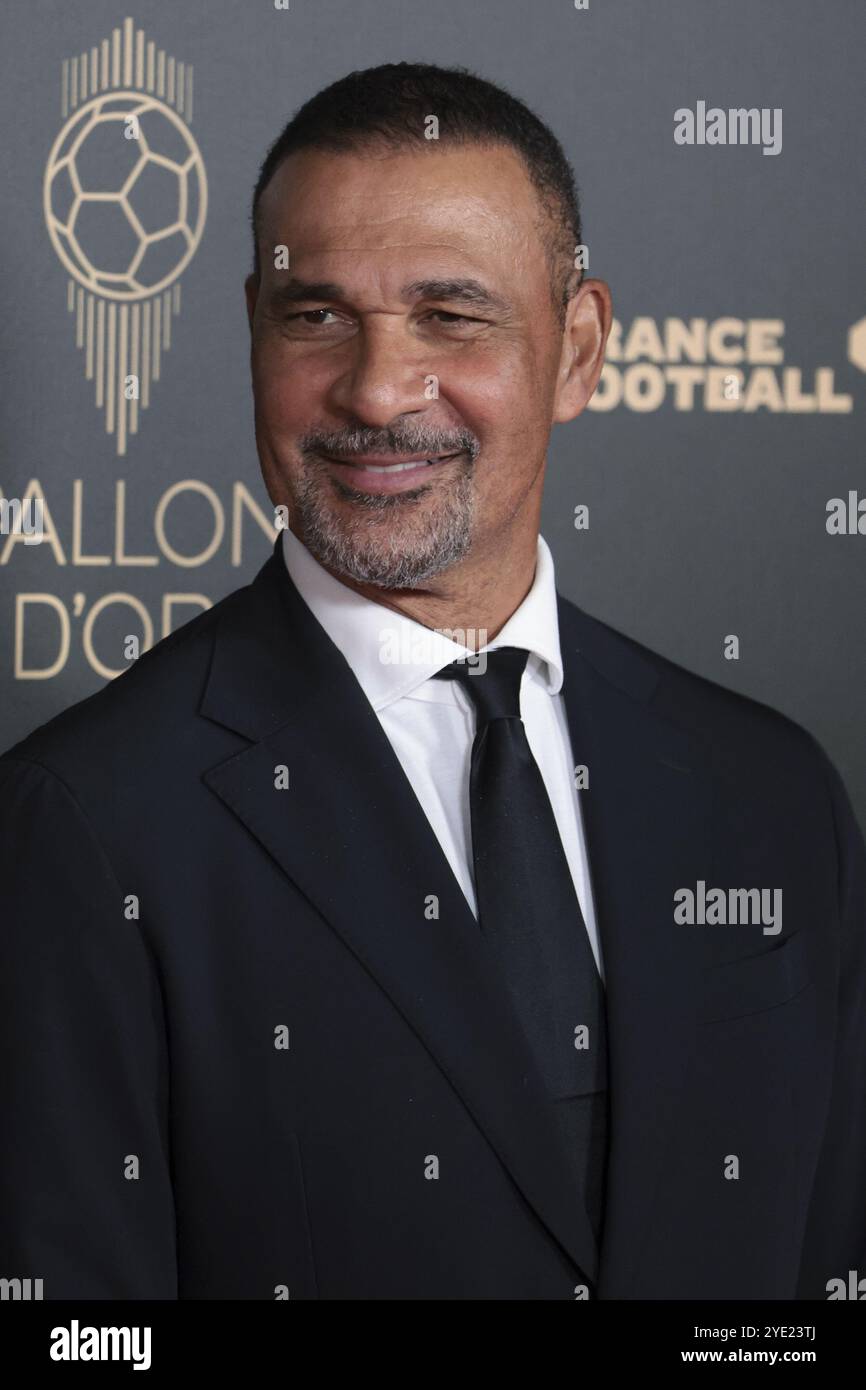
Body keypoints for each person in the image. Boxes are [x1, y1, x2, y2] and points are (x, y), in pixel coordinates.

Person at [1, 62, 864, 1301]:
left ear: (575, 350)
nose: (372, 389)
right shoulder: (86, 824)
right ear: (252, 329)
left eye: (451, 317)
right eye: (315, 317)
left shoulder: (769, 795)